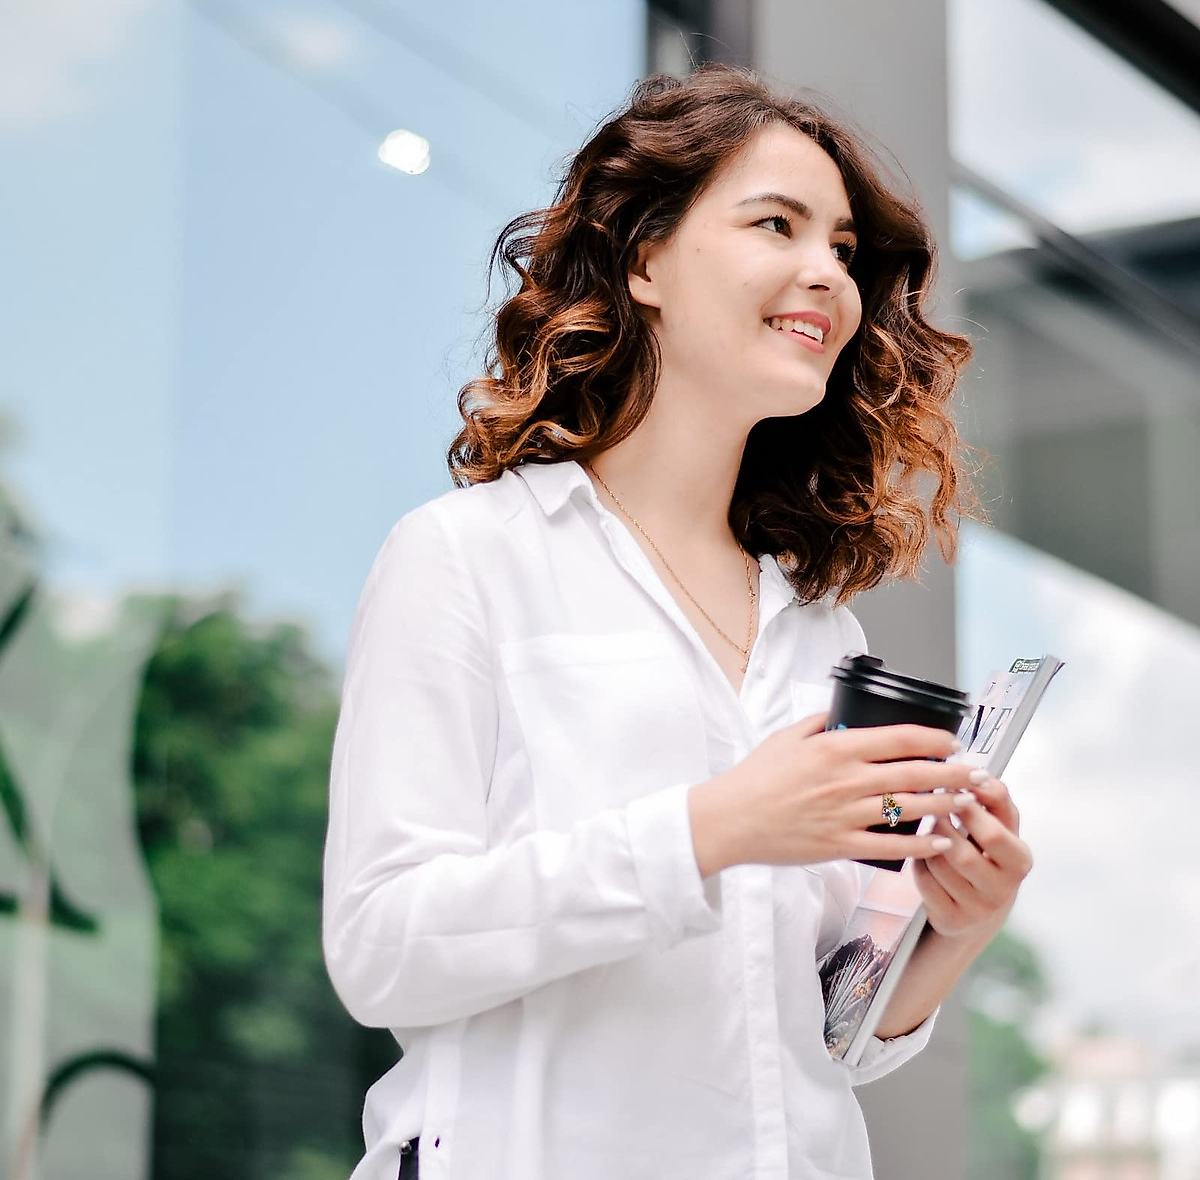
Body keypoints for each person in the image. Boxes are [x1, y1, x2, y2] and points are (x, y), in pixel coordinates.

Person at [322, 63, 1034, 1180]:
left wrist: (945, 935)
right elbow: (382, 947)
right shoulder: (468, 559)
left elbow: (820, 1043)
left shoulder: (818, 634)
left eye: (843, 249)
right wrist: (711, 828)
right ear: (645, 258)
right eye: (777, 224)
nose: (826, 275)